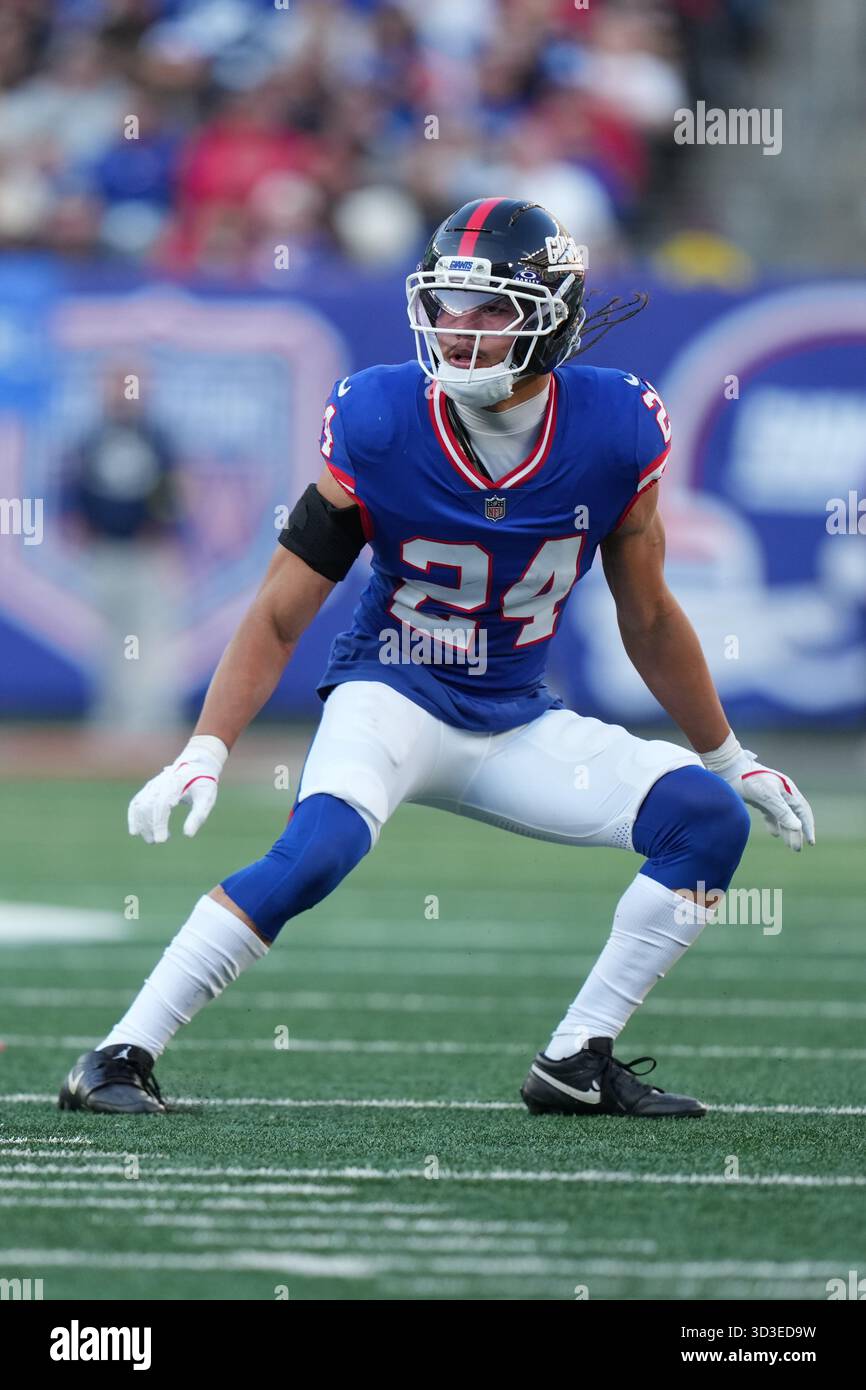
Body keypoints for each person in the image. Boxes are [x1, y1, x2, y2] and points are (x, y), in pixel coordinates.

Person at [58, 197, 814, 1118]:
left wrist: (730, 757)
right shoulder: (380, 417)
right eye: (449, 304)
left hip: (513, 714)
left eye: (491, 307)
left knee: (705, 821)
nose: (460, 331)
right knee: (318, 849)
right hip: (394, 694)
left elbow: (649, 616)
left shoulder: (616, 429)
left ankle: (576, 1058)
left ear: (552, 319)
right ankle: (116, 1055)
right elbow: (279, 613)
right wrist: (205, 747)